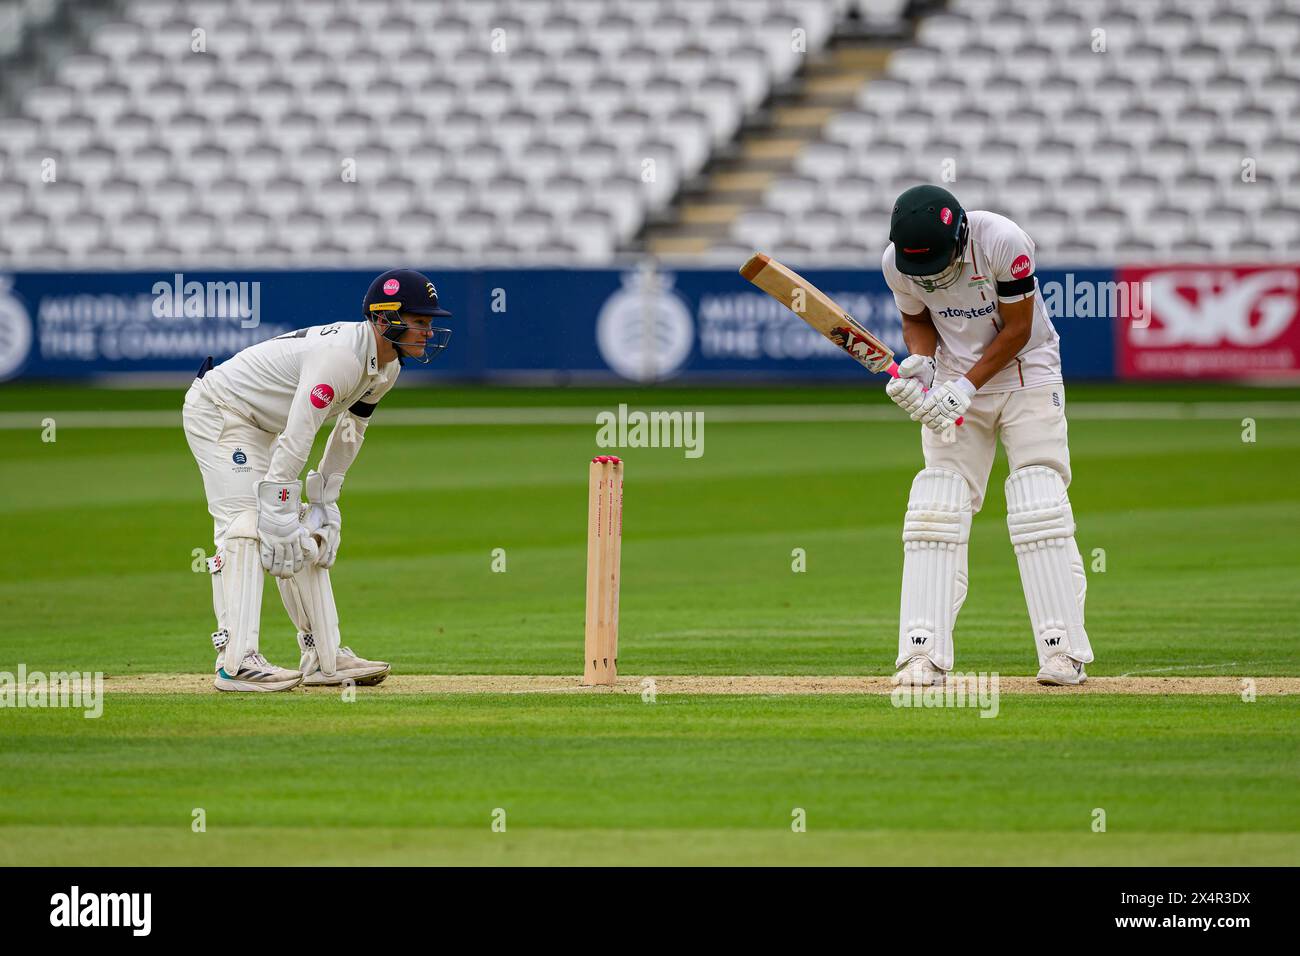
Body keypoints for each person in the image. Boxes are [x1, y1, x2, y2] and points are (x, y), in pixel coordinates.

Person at [181, 269, 452, 692]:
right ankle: (235, 661)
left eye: (429, 323)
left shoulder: (387, 366)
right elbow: (300, 432)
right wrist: (278, 503)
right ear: (385, 320)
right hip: (221, 410)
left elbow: (351, 431)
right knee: (247, 525)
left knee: (303, 530)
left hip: (262, 426)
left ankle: (323, 655)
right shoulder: (341, 357)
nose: (428, 332)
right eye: (420, 322)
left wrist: (324, 498)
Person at [882, 184, 1092, 686]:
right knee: (938, 503)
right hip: (954, 375)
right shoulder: (897, 263)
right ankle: (922, 652)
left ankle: (1062, 651)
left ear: (959, 237)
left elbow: (1018, 329)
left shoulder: (1003, 240)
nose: (930, 276)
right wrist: (922, 366)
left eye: (938, 263)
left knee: (1038, 497)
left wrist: (966, 388)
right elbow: (918, 321)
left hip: (1028, 373)